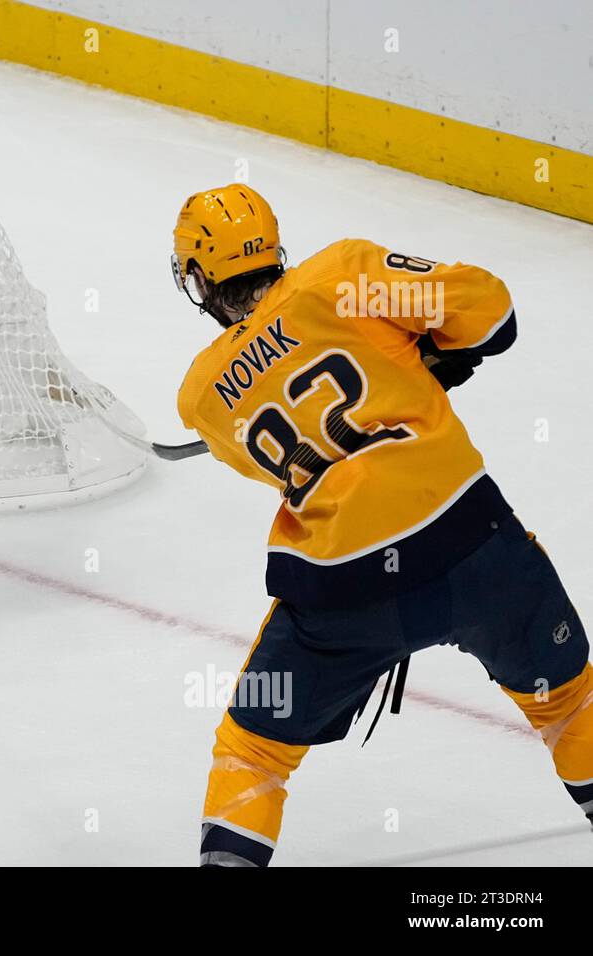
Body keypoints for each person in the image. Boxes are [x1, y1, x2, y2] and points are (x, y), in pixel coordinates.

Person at [171, 183, 592, 866]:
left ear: (198, 278)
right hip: (474, 550)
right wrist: (433, 355)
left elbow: (294, 457)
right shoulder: (341, 276)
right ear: (276, 249)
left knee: (252, 754)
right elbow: (493, 316)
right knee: (571, 707)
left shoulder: (201, 397)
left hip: (345, 594)